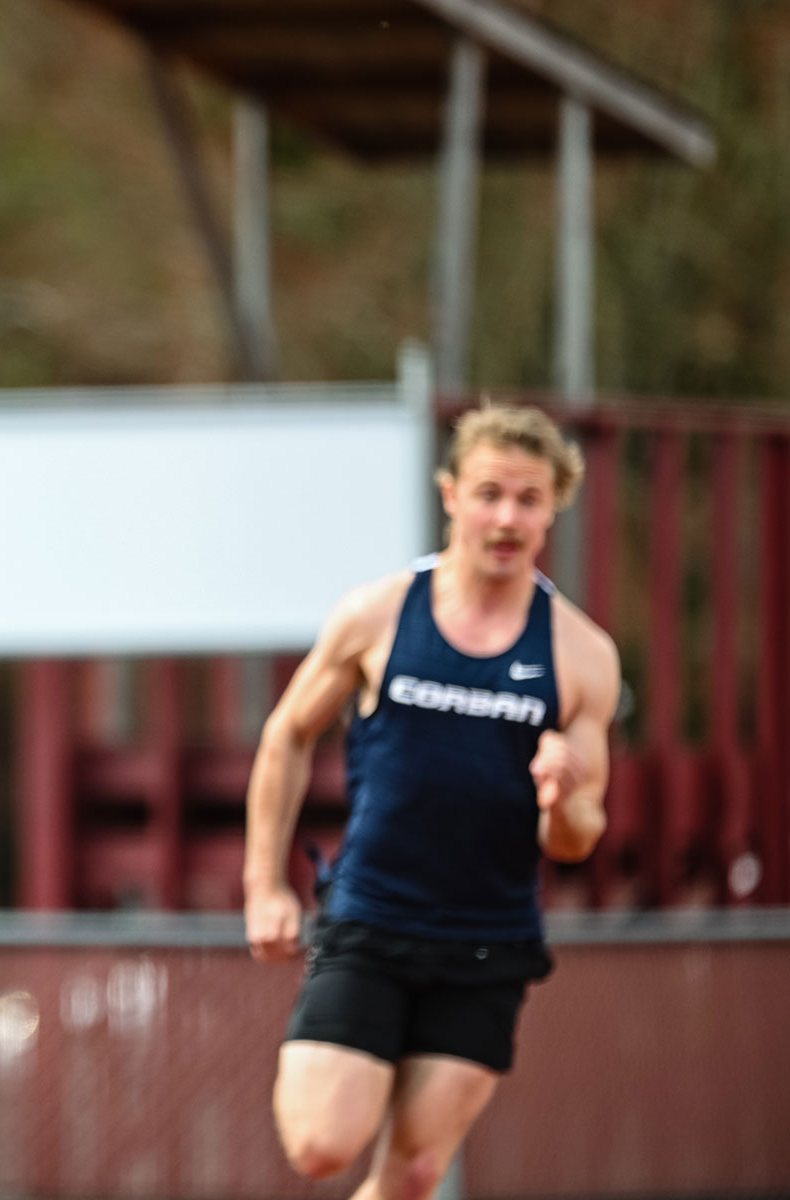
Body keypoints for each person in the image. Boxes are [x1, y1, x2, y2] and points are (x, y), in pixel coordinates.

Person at [243, 403, 619, 1199]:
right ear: (451, 494)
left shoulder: (581, 654)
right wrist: (263, 886)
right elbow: (285, 737)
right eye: (490, 493)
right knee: (319, 1144)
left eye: (528, 499)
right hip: (374, 917)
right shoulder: (378, 615)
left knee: (413, 1174)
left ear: (555, 507)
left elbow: (580, 837)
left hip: (488, 939)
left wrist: (562, 796)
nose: (507, 517)